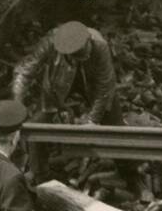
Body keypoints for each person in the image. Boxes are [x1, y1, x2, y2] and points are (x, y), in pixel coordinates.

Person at [11, 21, 126, 185]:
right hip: (60, 83)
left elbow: (105, 84)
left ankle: (129, 173)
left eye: (86, 52)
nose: (85, 56)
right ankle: (40, 175)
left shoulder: (100, 44)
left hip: (93, 85)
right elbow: (25, 71)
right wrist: (17, 106)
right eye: (79, 55)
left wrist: (92, 120)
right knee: (37, 126)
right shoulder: (51, 42)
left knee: (116, 127)